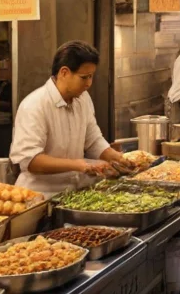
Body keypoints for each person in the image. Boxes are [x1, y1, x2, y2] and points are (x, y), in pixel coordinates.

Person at [10, 41, 125, 196]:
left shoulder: (83, 99)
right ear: (64, 72)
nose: (89, 84)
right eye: (84, 77)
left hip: (73, 192)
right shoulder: (34, 105)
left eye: (91, 77)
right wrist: (77, 165)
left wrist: (118, 158)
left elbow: (93, 140)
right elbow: (30, 161)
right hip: (40, 196)